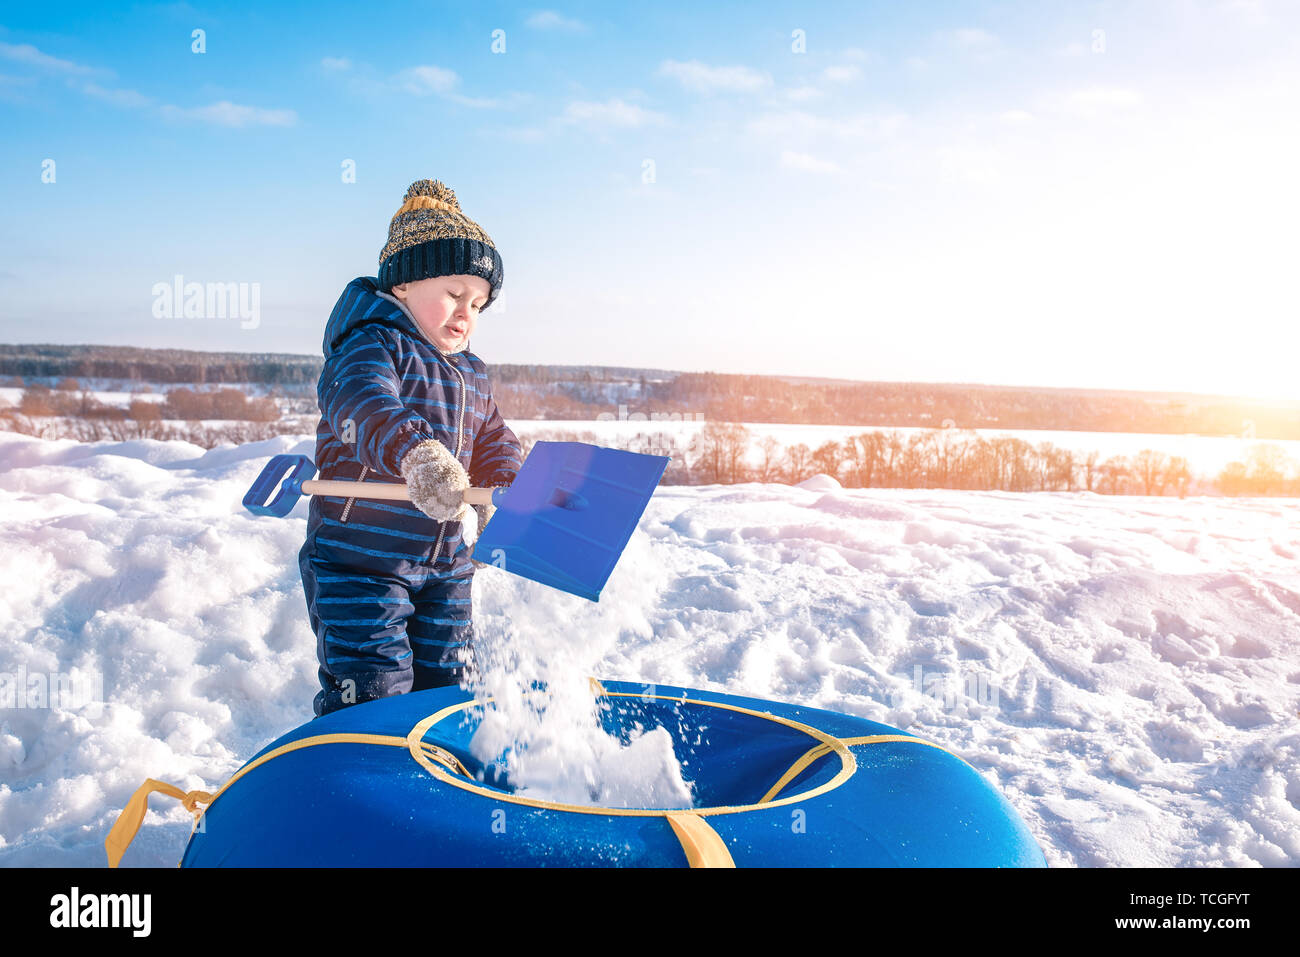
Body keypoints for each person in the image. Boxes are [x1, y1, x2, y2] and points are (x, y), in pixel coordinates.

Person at [298, 178, 522, 717]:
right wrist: (417, 455)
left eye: (478, 303)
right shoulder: (370, 345)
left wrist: (501, 486)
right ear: (403, 285)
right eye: (452, 293)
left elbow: (492, 435)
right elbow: (362, 403)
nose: (466, 313)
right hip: (361, 561)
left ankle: (435, 779)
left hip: (447, 563)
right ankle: (357, 769)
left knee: (449, 688)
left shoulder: (472, 373)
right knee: (374, 685)